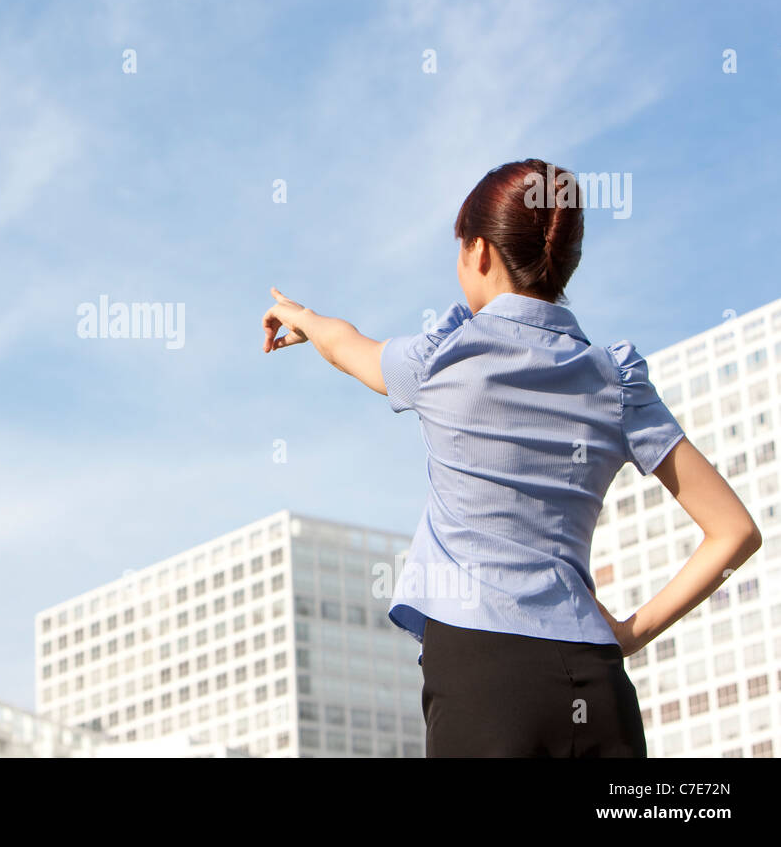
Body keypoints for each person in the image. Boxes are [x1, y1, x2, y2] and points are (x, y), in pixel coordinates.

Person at [260, 158, 762, 757]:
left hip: (484, 687)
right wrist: (630, 633)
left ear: (478, 252)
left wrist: (302, 317)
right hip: (595, 685)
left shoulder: (443, 360)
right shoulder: (615, 381)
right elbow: (734, 532)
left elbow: (350, 349)